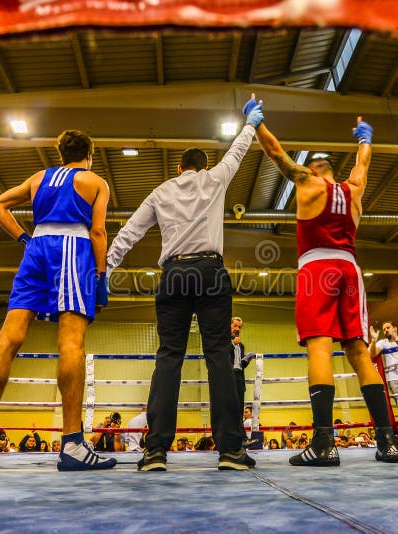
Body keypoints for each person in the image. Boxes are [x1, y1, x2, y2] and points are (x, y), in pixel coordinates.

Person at [106, 103, 263, 472]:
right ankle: (230, 451)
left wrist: (105, 270)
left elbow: (130, 232)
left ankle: (155, 452)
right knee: (219, 357)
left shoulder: (161, 191)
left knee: (168, 357)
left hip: (174, 274)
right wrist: (251, 123)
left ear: (179, 169)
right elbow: (238, 151)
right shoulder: (216, 178)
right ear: (204, 167)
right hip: (210, 271)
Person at [248, 95, 398, 467]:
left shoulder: (306, 183)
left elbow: (274, 152)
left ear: (314, 171)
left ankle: (323, 444)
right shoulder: (354, 189)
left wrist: (255, 122)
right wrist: (365, 138)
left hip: (317, 269)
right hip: (350, 269)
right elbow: (363, 163)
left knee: (319, 347)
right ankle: (388, 443)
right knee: (359, 352)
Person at [0, 129, 116, 472]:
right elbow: (97, 231)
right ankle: (73, 445)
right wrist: (102, 276)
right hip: (72, 250)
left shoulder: (39, 177)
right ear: (89, 155)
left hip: (36, 250)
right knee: (71, 342)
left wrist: (25, 239)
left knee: (8, 339)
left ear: (61, 154)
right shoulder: (94, 181)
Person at [230, 317, 256, 424]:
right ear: (229, 326)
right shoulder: (222, 342)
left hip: (239, 377)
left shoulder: (241, 345)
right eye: (235, 326)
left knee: (240, 406)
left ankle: (240, 434)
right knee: (228, 406)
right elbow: (221, 357)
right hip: (228, 378)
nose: (237, 329)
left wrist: (247, 361)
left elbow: (239, 365)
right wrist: (232, 344)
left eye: (239, 327)